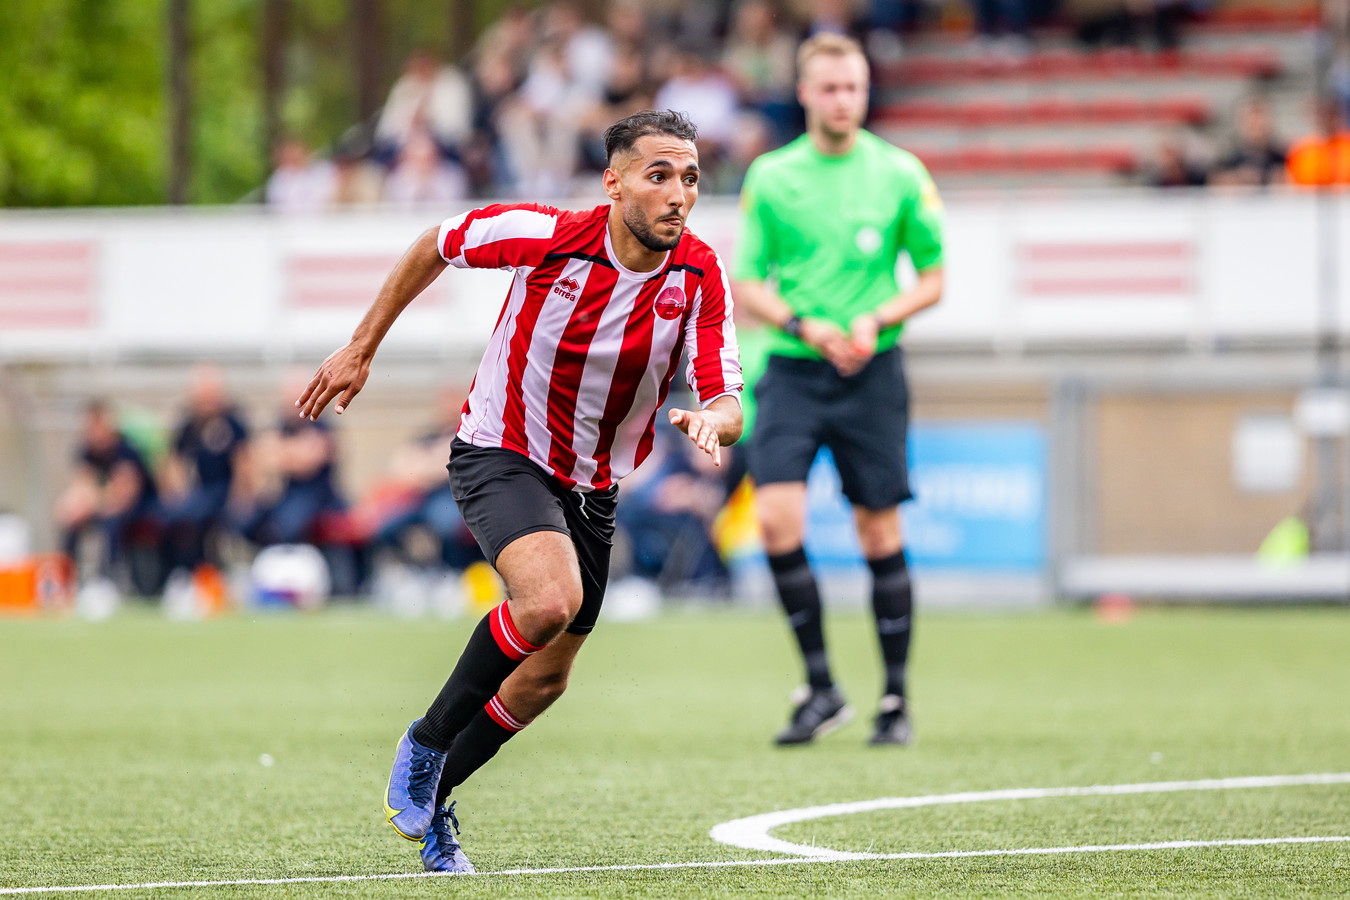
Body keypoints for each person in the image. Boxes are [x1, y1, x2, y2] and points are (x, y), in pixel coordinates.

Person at [295, 109, 742, 873]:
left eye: (691, 178)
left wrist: (713, 422)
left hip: (592, 485)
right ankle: (426, 741)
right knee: (546, 600)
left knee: (543, 681)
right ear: (614, 182)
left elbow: (727, 395)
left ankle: (433, 804)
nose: (678, 194)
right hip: (500, 449)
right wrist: (361, 346)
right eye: (658, 174)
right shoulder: (546, 234)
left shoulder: (699, 275)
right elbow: (435, 243)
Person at [731, 34, 944, 748]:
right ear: (804, 93)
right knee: (776, 520)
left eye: (852, 87)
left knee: (878, 529)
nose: (842, 100)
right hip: (792, 369)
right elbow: (748, 281)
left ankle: (894, 699)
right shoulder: (771, 176)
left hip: (873, 374)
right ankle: (821, 686)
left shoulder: (900, 173)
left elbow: (935, 276)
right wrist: (803, 323)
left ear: (865, 91)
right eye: (828, 88)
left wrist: (876, 318)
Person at [55, 400, 160, 587]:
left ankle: (108, 581)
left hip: (139, 507)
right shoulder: (86, 451)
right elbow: (83, 486)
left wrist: (94, 501)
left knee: (111, 523)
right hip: (103, 505)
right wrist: (74, 507)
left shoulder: (125, 450)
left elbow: (125, 495)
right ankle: (67, 582)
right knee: (72, 523)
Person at [160, 365, 251, 577]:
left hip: (224, 491)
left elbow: (244, 462)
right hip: (200, 490)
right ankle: (185, 573)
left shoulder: (232, 421)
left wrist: (241, 497)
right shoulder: (190, 422)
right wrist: (177, 493)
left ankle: (209, 572)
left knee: (200, 517)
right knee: (173, 516)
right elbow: (174, 459)